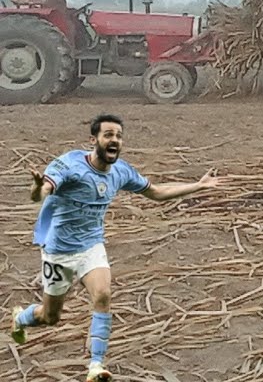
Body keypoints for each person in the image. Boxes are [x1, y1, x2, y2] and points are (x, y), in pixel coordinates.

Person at [11, 114, 220, 382]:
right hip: (58, 250)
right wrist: (36, 188)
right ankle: (22, 318)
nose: (115, 140)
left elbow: (155, 192)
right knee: (49, 317)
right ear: (94, 140)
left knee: (103, 295)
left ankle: (96, 366)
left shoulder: (121, 172)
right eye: (108, 135)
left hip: (91, 247)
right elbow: (42, 192)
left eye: (119, 136)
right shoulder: (70, 164)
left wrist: (198, 186)